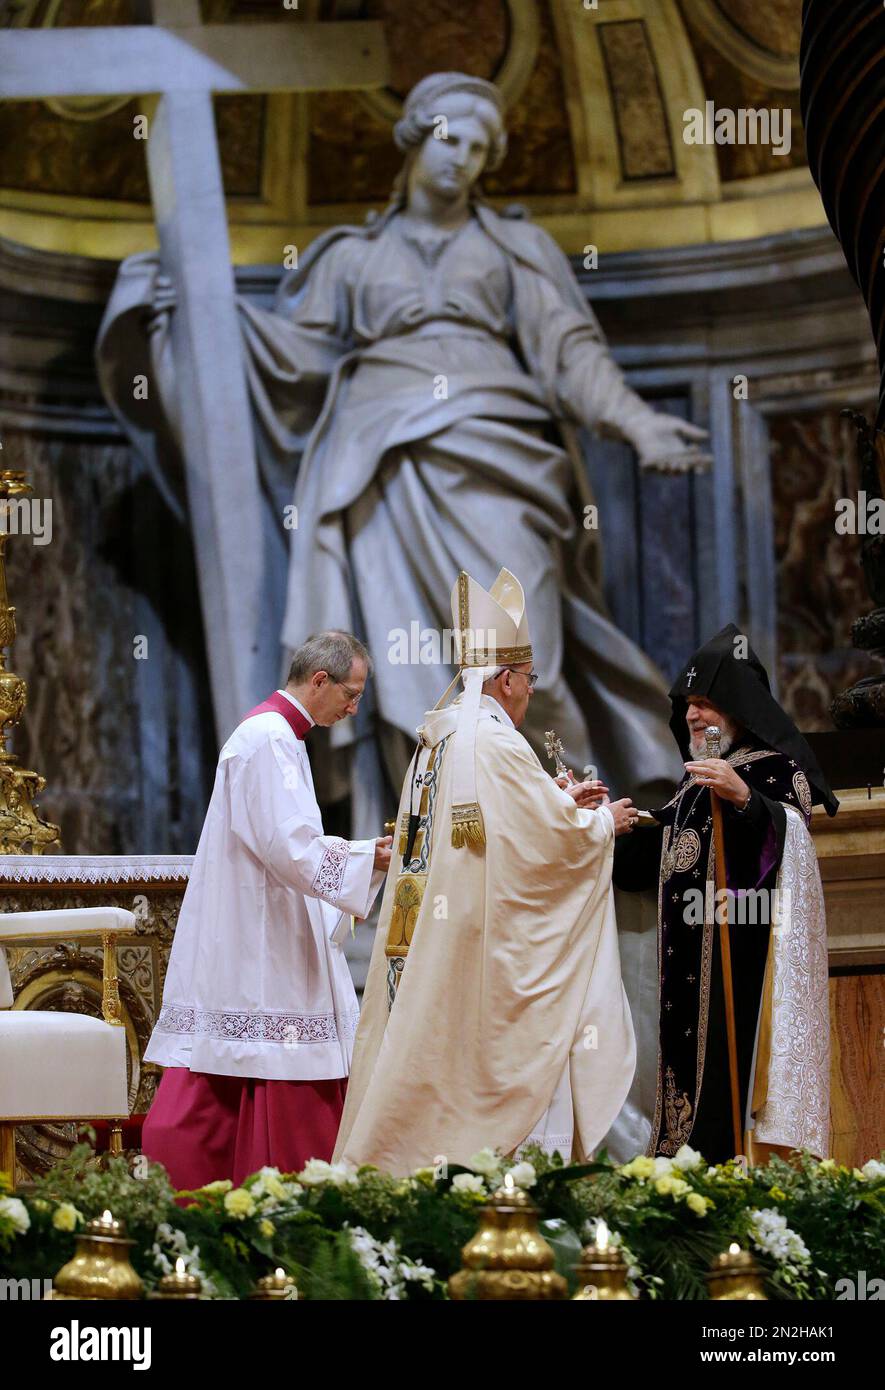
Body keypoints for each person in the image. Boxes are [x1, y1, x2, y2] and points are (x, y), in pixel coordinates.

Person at [98, 70, 709, 828]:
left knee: (525, 655)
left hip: (499, 456)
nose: (463, 159)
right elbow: (288, 357)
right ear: (417, 139)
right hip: (379, 465)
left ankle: (552, 838)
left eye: (481, 148)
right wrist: (193, 313)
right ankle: (423, 851)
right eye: (452, 138)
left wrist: (638, 423)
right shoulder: (350, 257)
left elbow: (571, 353)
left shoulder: (514, 246)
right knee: (408, 667)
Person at [333, 568, 638, 1176]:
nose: (530, 690)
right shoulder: (495, 741)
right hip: (481, 945)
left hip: (427, 934)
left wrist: (553, 801)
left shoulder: (439, 730)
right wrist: (601, 824)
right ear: (504, 678)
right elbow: (544, 851)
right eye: (527, 679)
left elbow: (486, 828)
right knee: (486, 1071)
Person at [142, 632, 392, 1188]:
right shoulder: (268, 739)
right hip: (258, 935)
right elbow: (290, 847)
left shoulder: (277, 736)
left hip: (265, 919)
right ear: (319, 680)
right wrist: (367, 856)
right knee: (262, 1060)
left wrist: (359, 861)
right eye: (350, 694)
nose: (354, 708)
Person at [613, 623, 838, 1164]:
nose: (693, 715)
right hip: (685, 979)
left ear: (739, 708)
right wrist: (600, 826)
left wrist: (744, 802)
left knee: (728, 1091)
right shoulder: (694, 784)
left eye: (708, 703)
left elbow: (788, 840)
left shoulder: (780, 772)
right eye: (689, 704)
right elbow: (654, 857)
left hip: (745, 968)